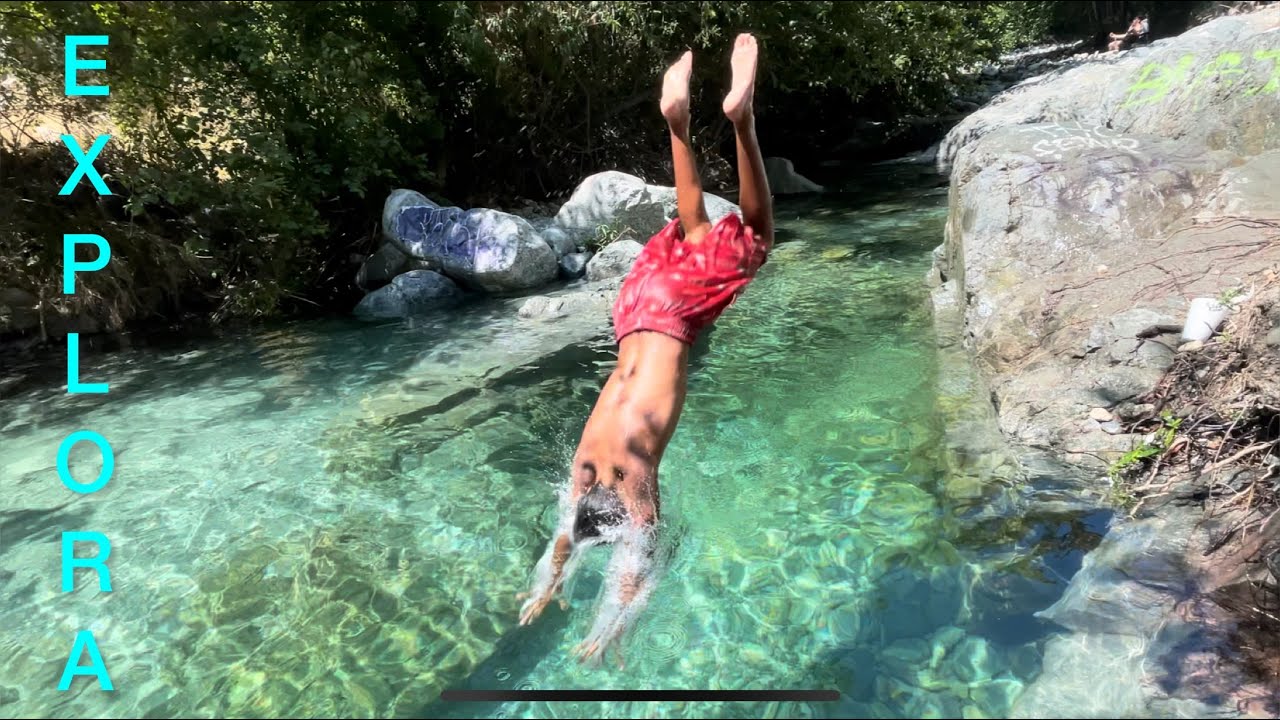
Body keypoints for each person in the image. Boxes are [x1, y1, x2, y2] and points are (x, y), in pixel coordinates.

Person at [515, 33, 774, 665]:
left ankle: (740, 123)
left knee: (757, 235)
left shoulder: (630, 479)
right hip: (633, 313)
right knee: (695, 229)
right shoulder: (580, 475)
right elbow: (565, 540)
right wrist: (546, 586)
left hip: (660, 318)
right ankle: (680, 125)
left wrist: (613, 631)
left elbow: (632, 561)